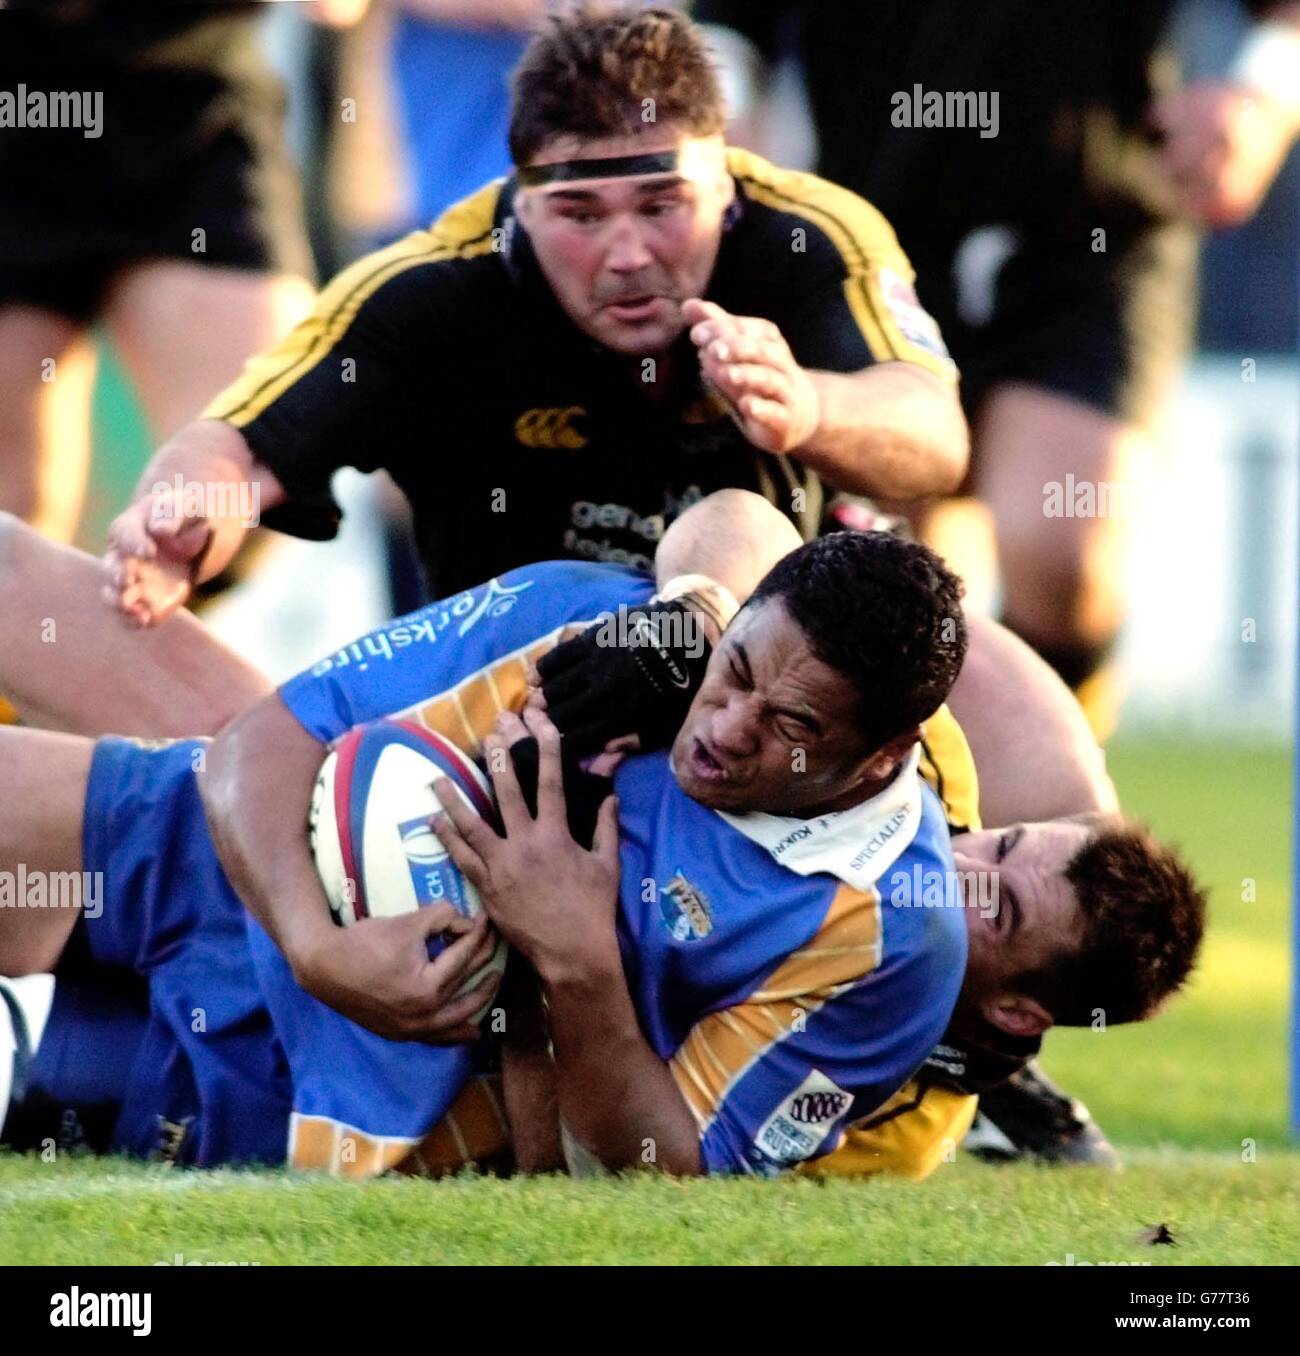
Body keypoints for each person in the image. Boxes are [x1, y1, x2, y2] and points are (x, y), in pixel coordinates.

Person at [0, 510, 1202, 1177]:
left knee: (38, 1082)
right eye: (731, 674)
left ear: (885, 759)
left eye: (789, 729)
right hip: (204, 857)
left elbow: (653, 1189)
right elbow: (256, 745)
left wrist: (567, 957)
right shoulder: (599, 626)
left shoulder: (890, 941)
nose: (723, 733)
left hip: (308, 1076)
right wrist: (318, 944)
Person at [100, 3, 968, 626]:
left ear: (726, 183)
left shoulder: (805, 238)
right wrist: (178, 516)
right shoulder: (429, 286)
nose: (627, 254)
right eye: (583, 216)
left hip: (766, 696)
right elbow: (240, 442)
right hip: (504, 684)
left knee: (1002, 699)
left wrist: (813, 407)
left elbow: (935, 435)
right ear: (521, 202)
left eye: (663, 206)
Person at [693, 0, 1300, 736]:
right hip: (877, 230)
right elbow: (728, 23)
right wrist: (720, 115)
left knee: (1066, 554)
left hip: (1094, 227)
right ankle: (937, 817)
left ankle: (1059, 797)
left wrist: (1263, 100)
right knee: (893, 580)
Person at [0, 0, 314, 541]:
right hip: (18, 108)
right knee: (17, 517)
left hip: (195, 99)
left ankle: (132, 603)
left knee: (262, 471)